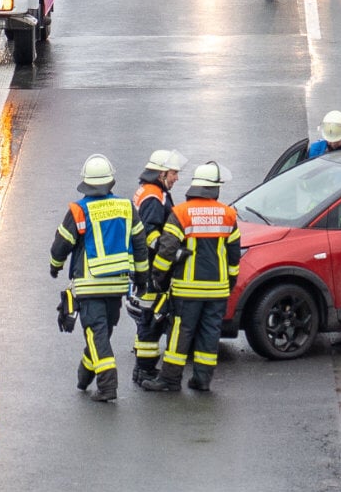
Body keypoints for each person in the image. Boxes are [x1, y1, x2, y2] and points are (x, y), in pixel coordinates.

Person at [49, 154, 149, 402]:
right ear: (110, 181)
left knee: (96, 334)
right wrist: (142, 278)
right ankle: (84, 376)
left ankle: (107, 386)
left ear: (86, 182)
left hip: (89, 285)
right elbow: (140, 244)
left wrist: (55, 266)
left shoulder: (78, 210)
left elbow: (62, 244)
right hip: (117, 285)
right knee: (101, 334)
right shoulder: (126, 207)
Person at [141, 162, 241, 393]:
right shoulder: (228, 214)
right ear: (215, 188)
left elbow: (167, 249)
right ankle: (202, 379)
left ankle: (169, 380)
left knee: (181, 332)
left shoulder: (181, 213)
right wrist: (230, 281)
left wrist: (159, 276)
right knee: (209, 333)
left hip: (187, 289)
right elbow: (234, 255)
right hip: (217, 289)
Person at [129, 149, 188, 386]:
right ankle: (145, 370)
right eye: (174, 173)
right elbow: (150, 233)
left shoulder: (151, 191)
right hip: (154, 268)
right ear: (162, 173)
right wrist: (172, 251)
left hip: (147, 266)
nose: (176, 178)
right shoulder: (154, 196)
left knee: (149, 317)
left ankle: (141, 369)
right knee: (152, 319)